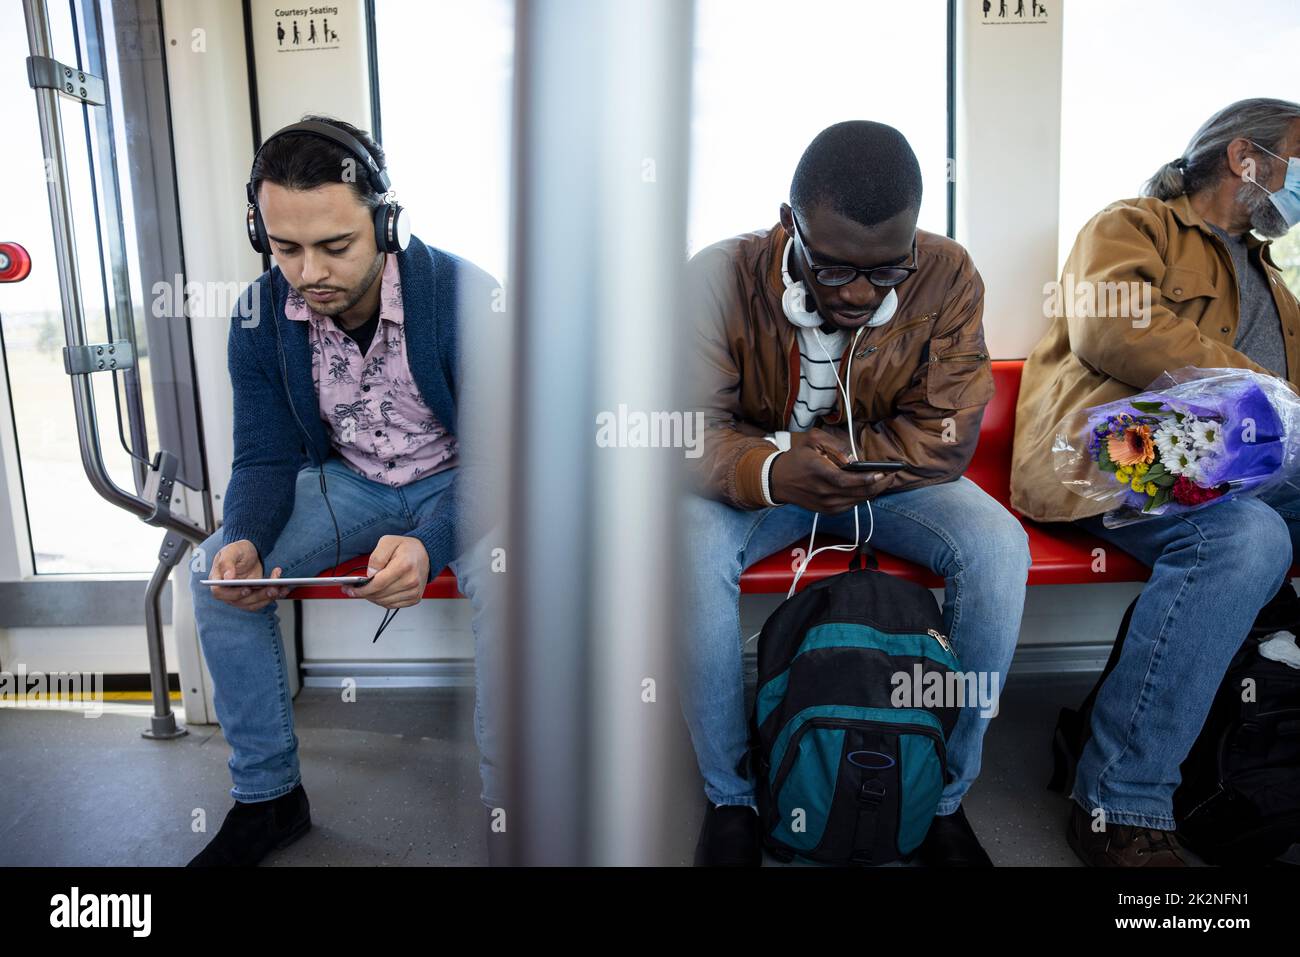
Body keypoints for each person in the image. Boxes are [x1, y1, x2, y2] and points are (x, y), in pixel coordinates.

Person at [681, 120, 1030, 867]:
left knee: (1000, 545)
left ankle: (940, 794)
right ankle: (732, 796)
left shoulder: (947, 272)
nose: (864, 293)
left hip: (891, 480)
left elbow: (948, 433)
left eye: (887, 271)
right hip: (764, 481)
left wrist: (846, 462)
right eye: (836, 270)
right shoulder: (717, 275)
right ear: (789, 226)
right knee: (684, 551)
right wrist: (775, 470)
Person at [186, 116, 506, 866]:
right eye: (284, 247)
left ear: (385, 223)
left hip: (466, 480)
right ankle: (269, 799)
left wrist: (432, 545)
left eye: (335, 246)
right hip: (349, 485)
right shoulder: (260, 313)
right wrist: (244, 537)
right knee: (213, 572)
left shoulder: (467, 296)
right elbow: (264, 456)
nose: (309, 272)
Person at [1012, 97, 1300, 866]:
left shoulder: (1273, 283)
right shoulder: (1133, 226)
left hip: (1240, 468)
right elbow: (1114, 328)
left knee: (1258, 524)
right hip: (1121, 459)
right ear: (1249, 158)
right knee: (1245, 540)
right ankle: (1118, 799)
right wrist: (1263, 392)